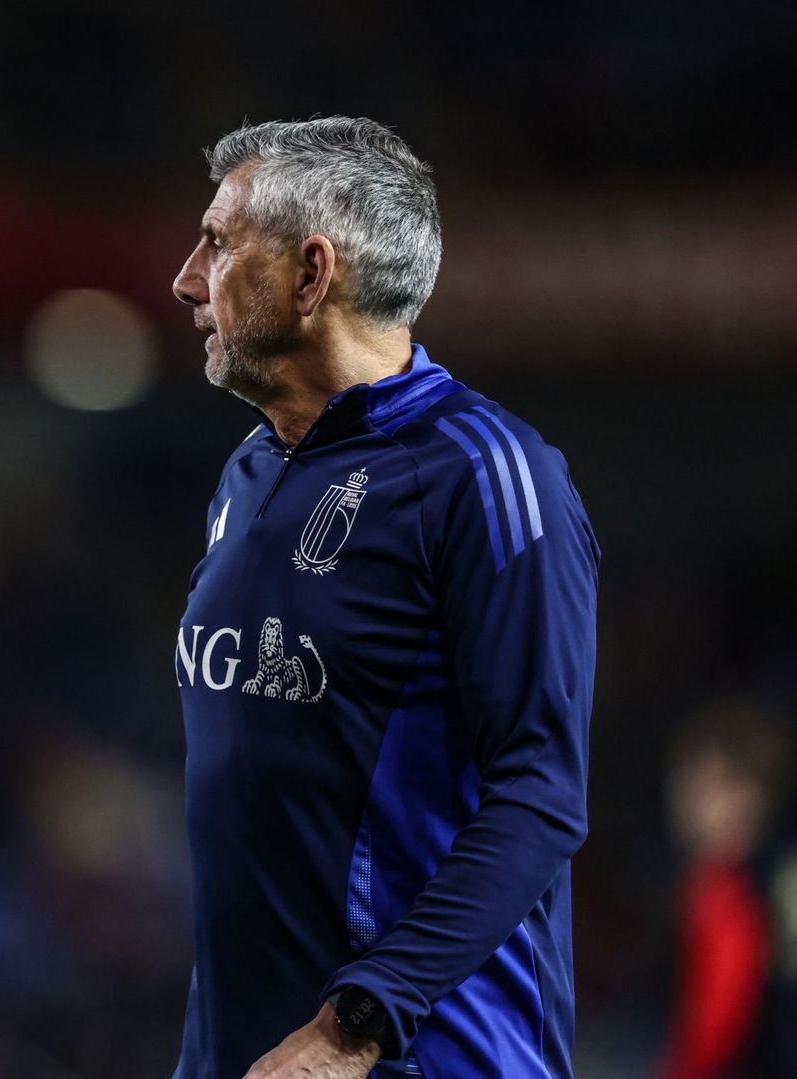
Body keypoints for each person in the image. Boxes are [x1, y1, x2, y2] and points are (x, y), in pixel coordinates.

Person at [168, 118, 598, 1078]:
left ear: (312, 275)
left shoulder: (488, 475)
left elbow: (541, 793)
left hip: (421, 1053)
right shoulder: (246, 473)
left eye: (218, 242)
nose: (188, 279)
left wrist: (353, 1028)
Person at [658, 699, 791, 1078]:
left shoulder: (725, 892)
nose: (681, 798)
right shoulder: (768, 878)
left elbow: (718, 1019)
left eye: (704, 786)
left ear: (748, 797)